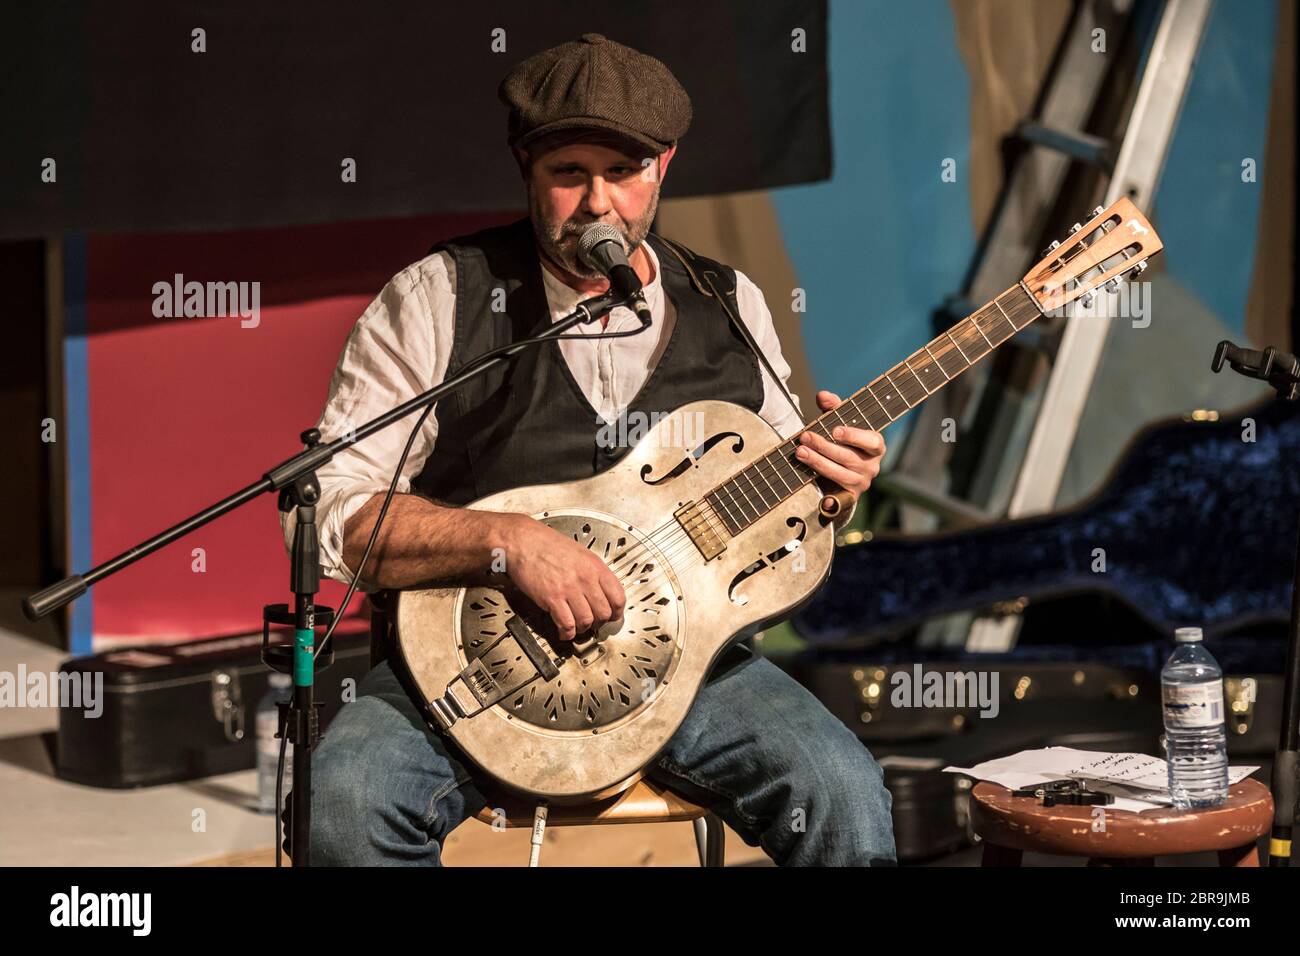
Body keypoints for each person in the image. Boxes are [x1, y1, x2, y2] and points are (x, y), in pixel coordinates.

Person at [282, 32, 896, 866]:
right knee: (344, 805)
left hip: (685, 662)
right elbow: (328, 511)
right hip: (470, 669)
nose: (598, 203)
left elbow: (782, 509)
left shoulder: (729, 301)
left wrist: (835, 486)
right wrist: (505, 541)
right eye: (568, 174)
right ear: (527, 171)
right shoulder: (440, 297)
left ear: (665, 166)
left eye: (623, 172)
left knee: (844, 791)